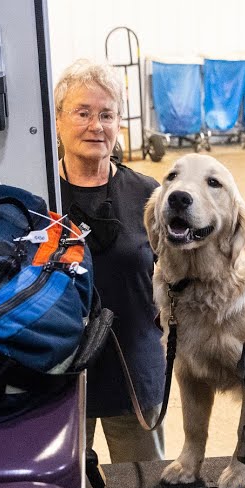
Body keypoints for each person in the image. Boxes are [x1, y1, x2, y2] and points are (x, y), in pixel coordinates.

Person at [53, 59, 165, 462]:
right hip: (58, 372)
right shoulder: (38, 194)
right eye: (82, 113)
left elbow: (175, 275)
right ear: (59, 119)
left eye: (107, 114)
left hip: (133, 368)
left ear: (120, 123)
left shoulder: (147, 194)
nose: (95, 126)